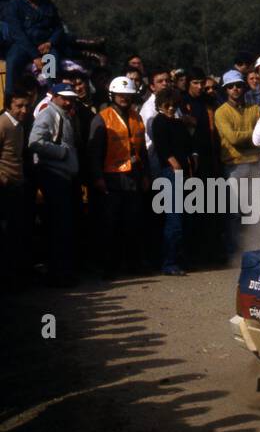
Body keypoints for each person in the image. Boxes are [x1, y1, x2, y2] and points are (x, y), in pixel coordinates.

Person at [87, 76, 149, 278]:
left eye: (128, 95)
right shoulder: (102, 118)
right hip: (111, 177)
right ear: (113, 95)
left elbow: (143, 150)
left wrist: (146, 175)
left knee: (133, 223)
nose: (124, 98)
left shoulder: (136, 117)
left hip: (133, 177)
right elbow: (94, 152)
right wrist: (97, 177)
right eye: (120, 95)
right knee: (110, 224)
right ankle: (108, 267)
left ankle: (133, 264)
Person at [27, 81, 81, 285]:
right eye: (64, 98)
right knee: (59, 226)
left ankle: (61, 272)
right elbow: (35, 142)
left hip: (61, 175)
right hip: (53, 175)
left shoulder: (63, 114)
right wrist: (62, 153)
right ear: (55, 97)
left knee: (62, 226)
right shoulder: (49, 113)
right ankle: (58, 274)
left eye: (71, 98)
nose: (68, 102)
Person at [214, 69, 260, 258]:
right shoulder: (221, 112)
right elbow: (233, 138)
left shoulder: (254, 109)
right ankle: (235, 253)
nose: (235, 89)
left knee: (254, 211)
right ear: (225, 90)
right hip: (234, 166)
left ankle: (253, 249)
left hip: (254, 163)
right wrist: (254, 136)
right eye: (231, 86)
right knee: (235, 213)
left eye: (239, 86)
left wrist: (253, 137)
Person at [4, 0, 70, 88]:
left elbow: (58, 27)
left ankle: (53, 94)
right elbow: (17, 33)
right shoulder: (14, 5)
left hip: (45, 45)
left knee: (51, 62)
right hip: (23, 45)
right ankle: (10, 100)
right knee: (13, 62)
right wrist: (35, 56)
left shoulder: (47, 4)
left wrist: (50, 43)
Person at [150, 87, 190, 276]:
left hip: (184, 173)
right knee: (173, 218)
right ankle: (169, 262)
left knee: (182, 218)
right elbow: (163, 148)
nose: (171, 108)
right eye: (167, 105)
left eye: (174, 105)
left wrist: (192, 158)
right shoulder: (158, 121)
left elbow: (188, 145)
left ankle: (180, 259)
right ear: (160, 105)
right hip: (171, 173)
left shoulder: (178, 123)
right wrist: (174, 163)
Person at [0, 87, 34, 288]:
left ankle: (15, 277)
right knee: (7, 235)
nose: (24, 110)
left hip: (17, 186)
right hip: (6, 187)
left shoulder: (19, 126)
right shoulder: (3, 124)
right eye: (18, 106)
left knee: (17, 234)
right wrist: (3, 178)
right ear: (8, 105)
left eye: (26, 106)